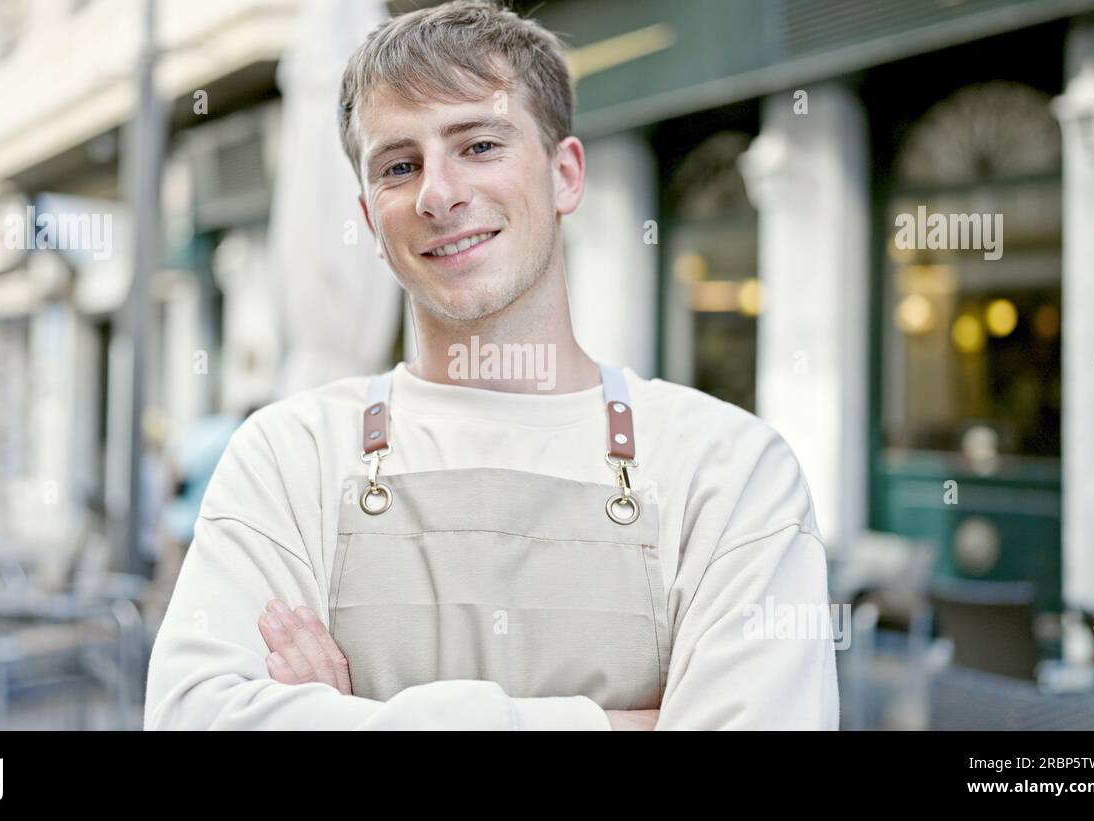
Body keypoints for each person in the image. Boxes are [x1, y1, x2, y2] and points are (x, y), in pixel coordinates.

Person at [145, 0, 838, 730]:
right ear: (370, 220)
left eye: (479, 145)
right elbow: (193, 717)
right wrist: (610, 724)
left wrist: (352, 717)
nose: (439, 194)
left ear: (566, 174)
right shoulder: (286, 456)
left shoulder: (731, 472)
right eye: (400, 165)